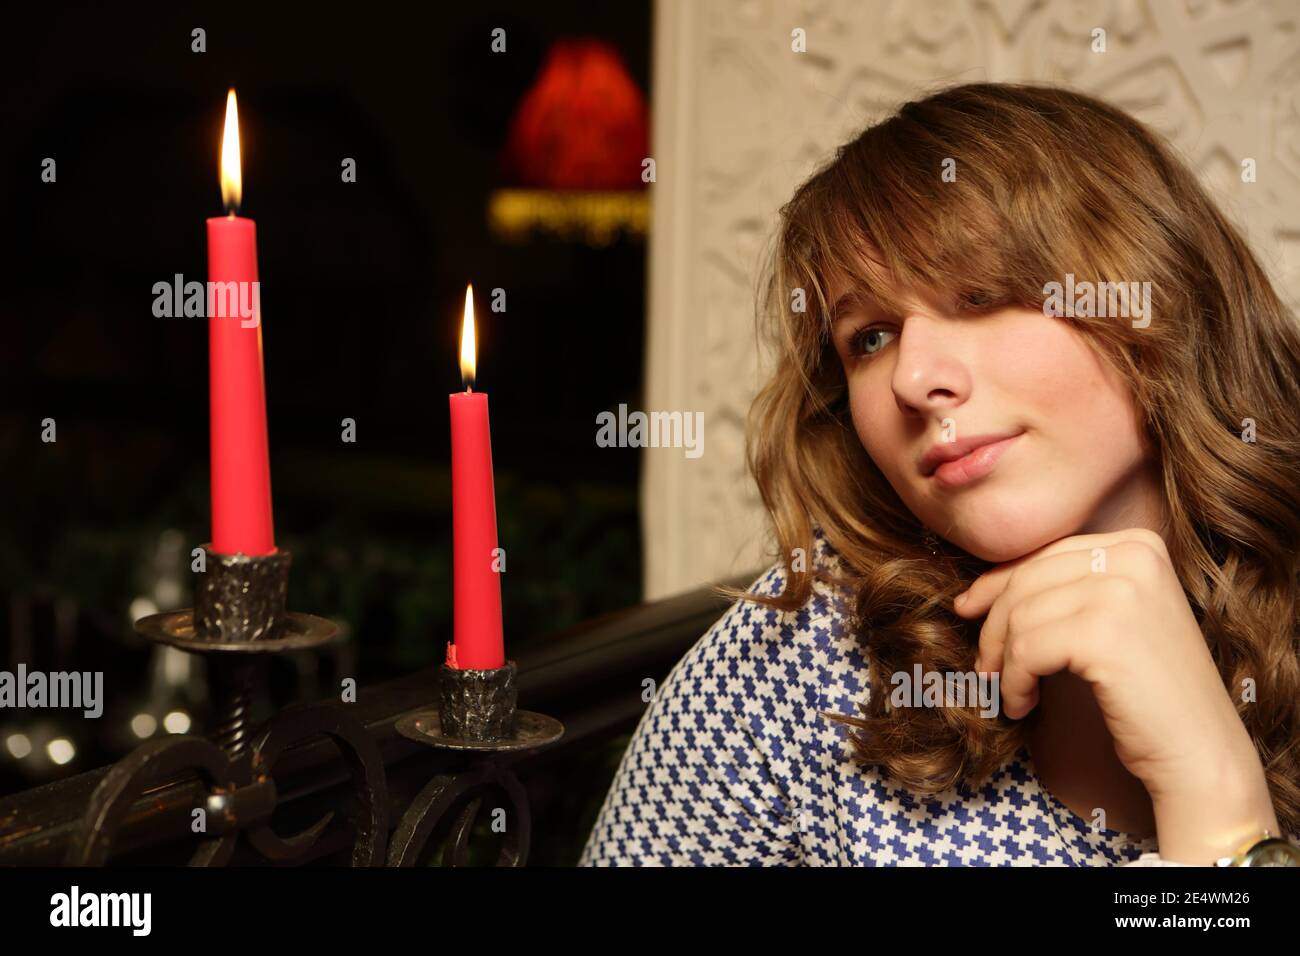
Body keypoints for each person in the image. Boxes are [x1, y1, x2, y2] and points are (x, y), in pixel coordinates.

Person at [579, 82, 1300, 866]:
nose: (913, 377)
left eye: (982, 293)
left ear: (1157, 289)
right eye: (871, 337)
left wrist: (1213, 790)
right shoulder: (794, 663)